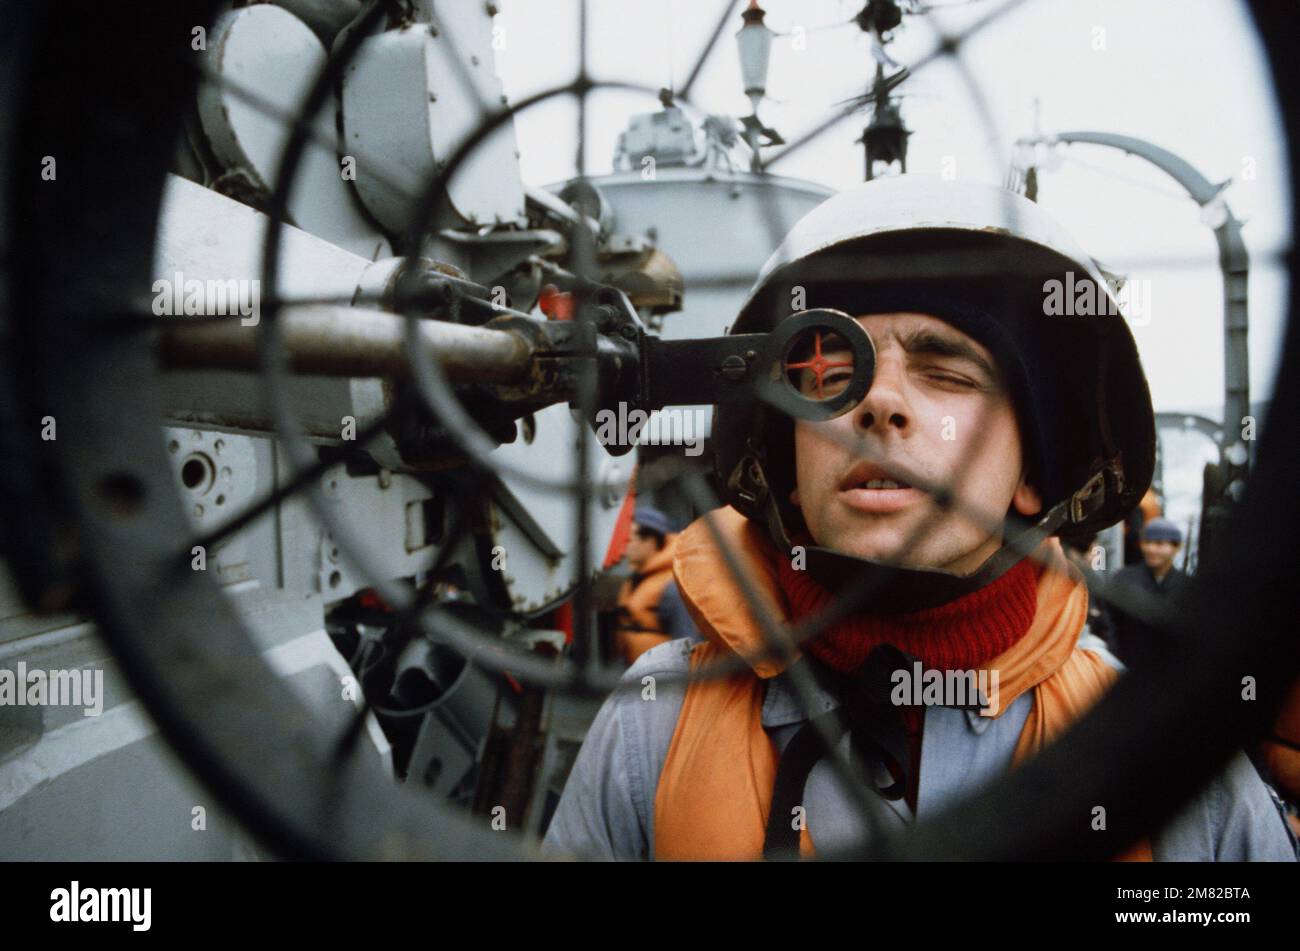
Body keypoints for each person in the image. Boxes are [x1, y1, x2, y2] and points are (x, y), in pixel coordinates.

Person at [544, 176, 1297, 861]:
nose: (879, 401)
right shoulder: (652, 725)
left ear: (1032, 475)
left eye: (946, 372)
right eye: (830, 376)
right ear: (794, 471)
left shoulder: (1172, 759)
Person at [613, 506, 700, 665]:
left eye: (629, 540)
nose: (624, 548)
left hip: (659, 679)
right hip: (634, 675)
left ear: (650, 541)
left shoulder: (673, 586)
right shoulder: (635, 580)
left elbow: (688, 643)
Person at [1107, 517, 1190, 669]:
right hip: (1126, 666)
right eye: (1147, 542)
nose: (1152, 549)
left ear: (1176, 547)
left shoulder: (1187, 587)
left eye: (1159, 544)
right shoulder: (1124, 578)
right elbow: (1110, 622)